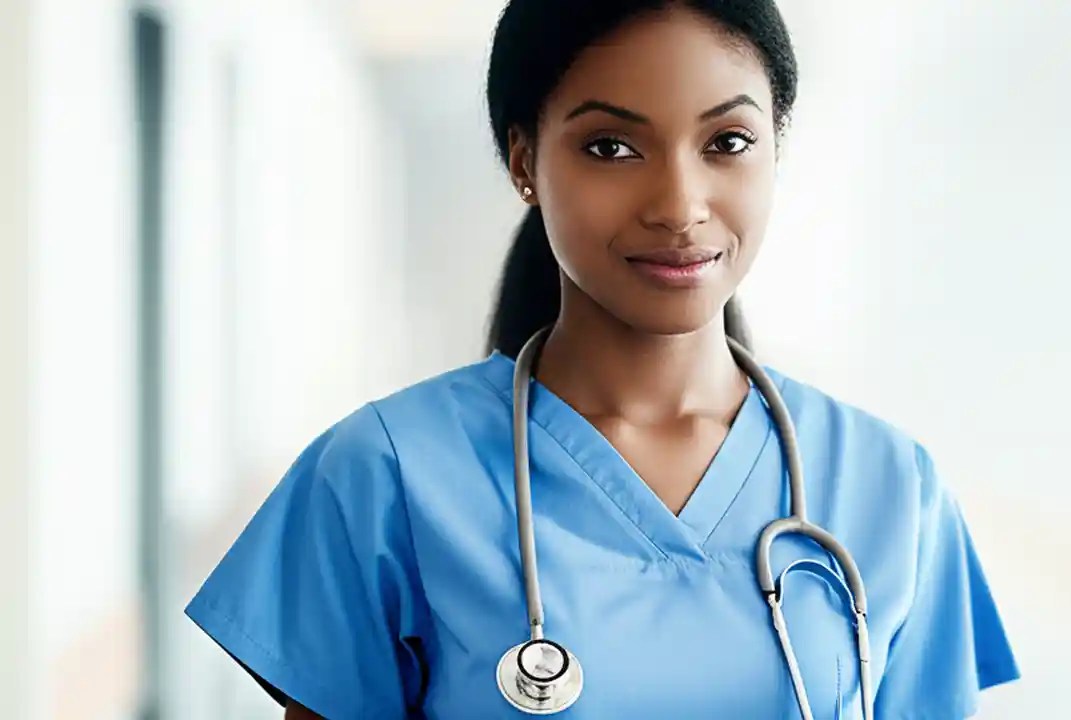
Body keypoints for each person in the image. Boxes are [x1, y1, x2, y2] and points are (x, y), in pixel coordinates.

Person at [184, 1, 1020, 717]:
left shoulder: (891, 488)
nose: (679, 206)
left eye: (726, 142)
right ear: (524, 163)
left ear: (776, 150)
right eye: (612, 148)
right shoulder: (382, 477)